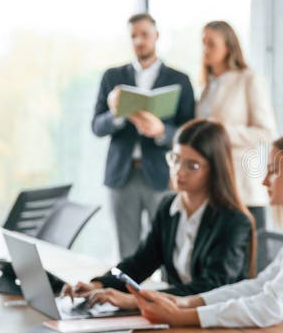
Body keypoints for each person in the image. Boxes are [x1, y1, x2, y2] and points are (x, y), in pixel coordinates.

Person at [126, 132, 283, 333]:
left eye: (274, 171)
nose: (264, 181)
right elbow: (262, 284)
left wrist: (183, 317)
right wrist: (187, 303)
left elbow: (274, 305)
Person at [64, 119, 255, 309]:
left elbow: (212, 287)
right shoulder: (169, 207)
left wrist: (137, 299)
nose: (179, 171)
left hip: (216, 321)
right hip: (177, 316)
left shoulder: (234, 221)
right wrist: (98, 285)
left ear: (215, 170)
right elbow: (141, 262)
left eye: (192, 165)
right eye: (175, 159)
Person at [92, 13, 196, 258]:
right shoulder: (112, 78)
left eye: (144, 35)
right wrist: (117, 114)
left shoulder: (180, 80)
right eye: (133, 36)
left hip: (162, 174)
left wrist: (162, 131)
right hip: (121, 176)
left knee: (167, 249)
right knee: (126, 254)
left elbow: (190, 134)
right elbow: (96, 126)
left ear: (156, 36)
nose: (139, 41)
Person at [197, 20, 277, 231]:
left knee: (251, 258)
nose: (205, 49)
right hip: (212, 186)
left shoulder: (249, 80)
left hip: (244, 187)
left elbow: (266, 134)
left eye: (211, 43)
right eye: (203, 43)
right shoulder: (206, 86)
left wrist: (222, 132)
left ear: (229, 47)